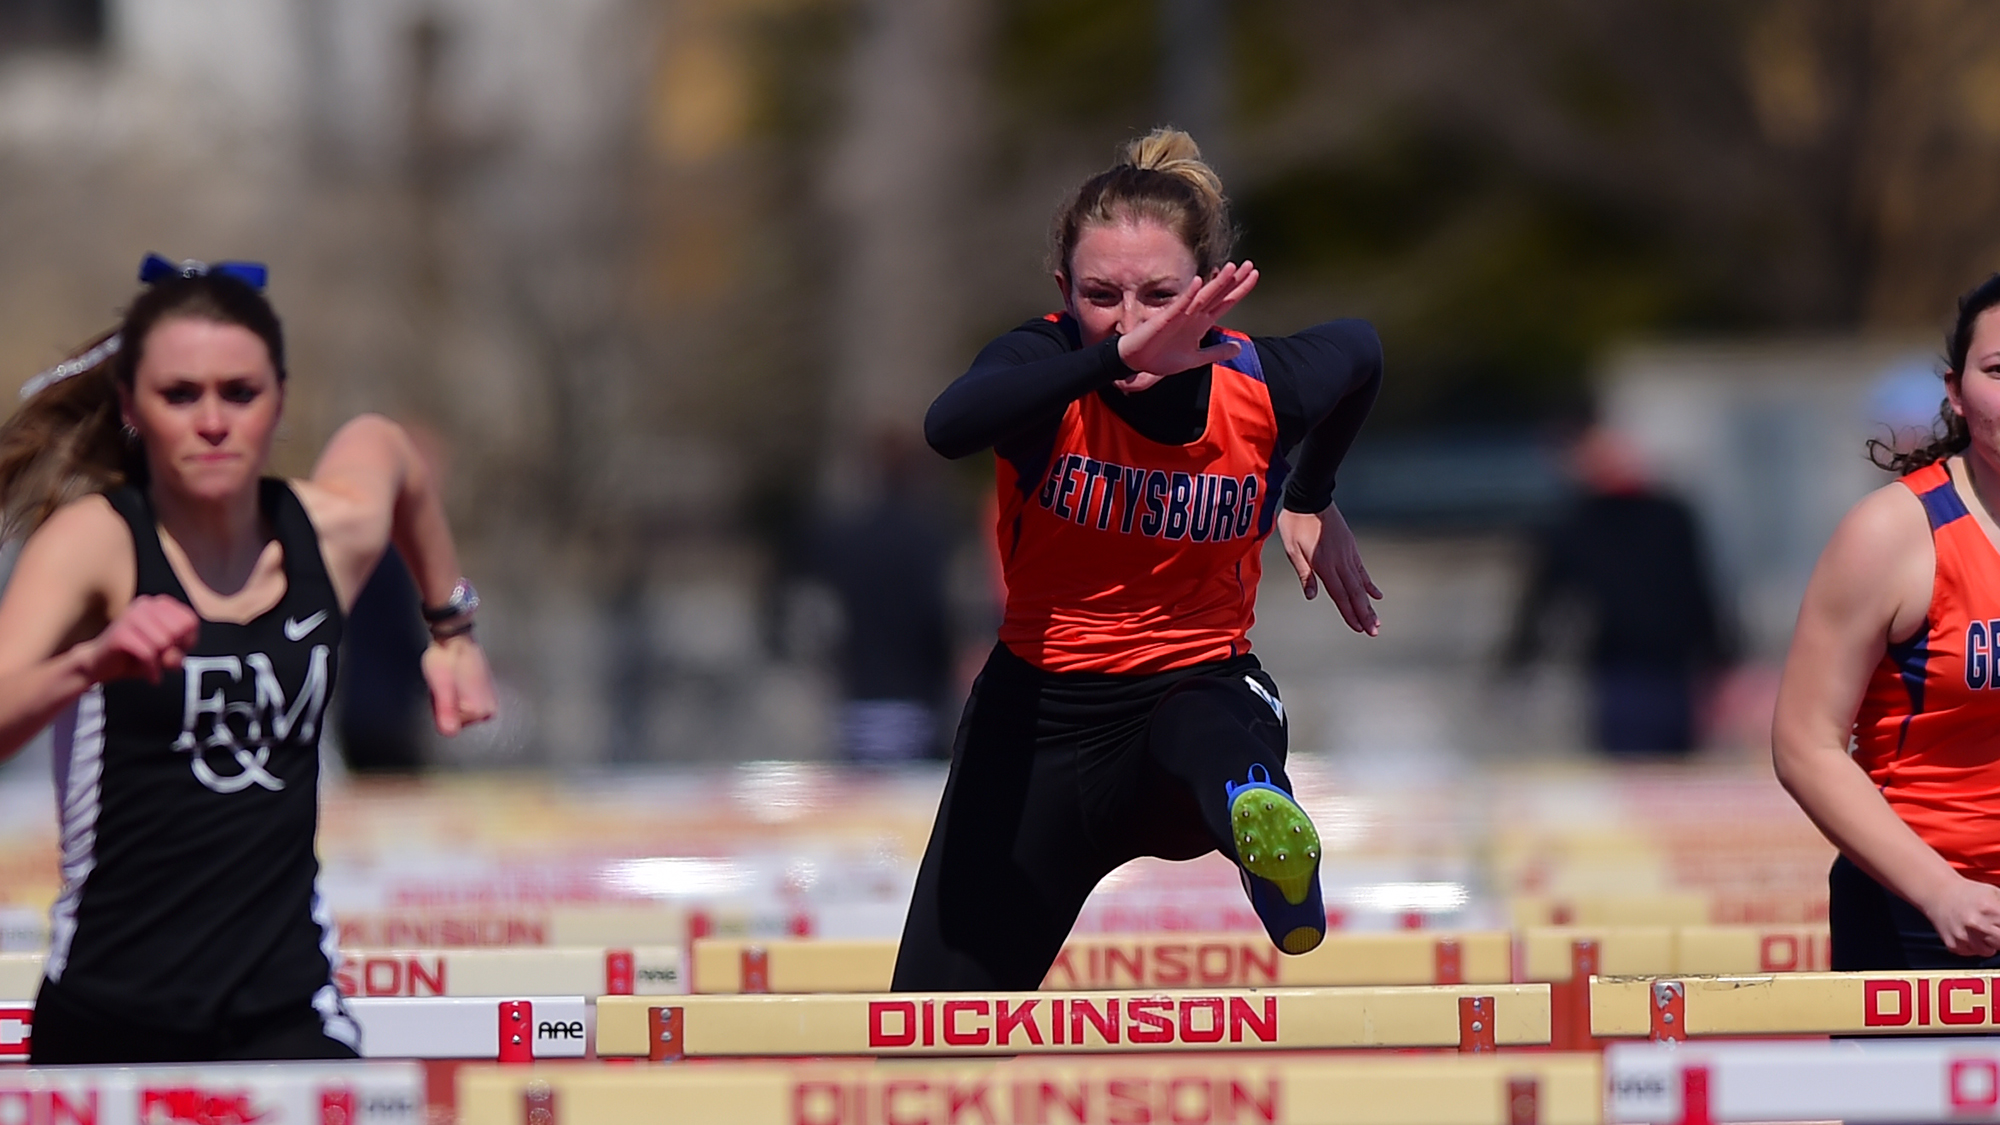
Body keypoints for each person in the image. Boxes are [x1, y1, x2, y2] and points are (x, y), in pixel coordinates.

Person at [895, 129, 1384, 990]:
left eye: (1160, 294)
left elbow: (1362, 350)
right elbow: (947, 427)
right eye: (1101, 295)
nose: (1132, 318)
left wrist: (1310, 495)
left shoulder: (1263, 385)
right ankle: (1247, 801)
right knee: (935, 1032)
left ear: (1210, 291)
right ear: (1062, 293)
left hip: (1195, 702)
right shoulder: (1042, 364)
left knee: (1207, 724)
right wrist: (1112, 361)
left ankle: (1260, 820)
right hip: (1037, 723)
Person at [0, 254, 496, 1062]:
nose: (213, 422)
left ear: (280, 400)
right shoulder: (94, 545)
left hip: (286, 1013)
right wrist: (88, 665)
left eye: (240, 392)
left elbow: (388, 449)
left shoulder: (325, 533)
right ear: (131, 403)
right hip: (110, 1017)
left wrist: (453, 632)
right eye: (180, 395)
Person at [1775, 273, 2000, 970]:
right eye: (1999, 370)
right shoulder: (1895, 534)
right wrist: (1941, 892)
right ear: (1956, 391)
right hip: (1931, 917)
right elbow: (1804, 744)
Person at [1504, 425, 1735, 755]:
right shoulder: (1578, 523)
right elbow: (1545, 598)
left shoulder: (1670, 516)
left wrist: (1721, 657)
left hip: (1673, 668)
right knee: (1633, 767)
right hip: (1618, 670)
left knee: (1676, 768)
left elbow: (1699, 587)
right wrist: (1520, 656)